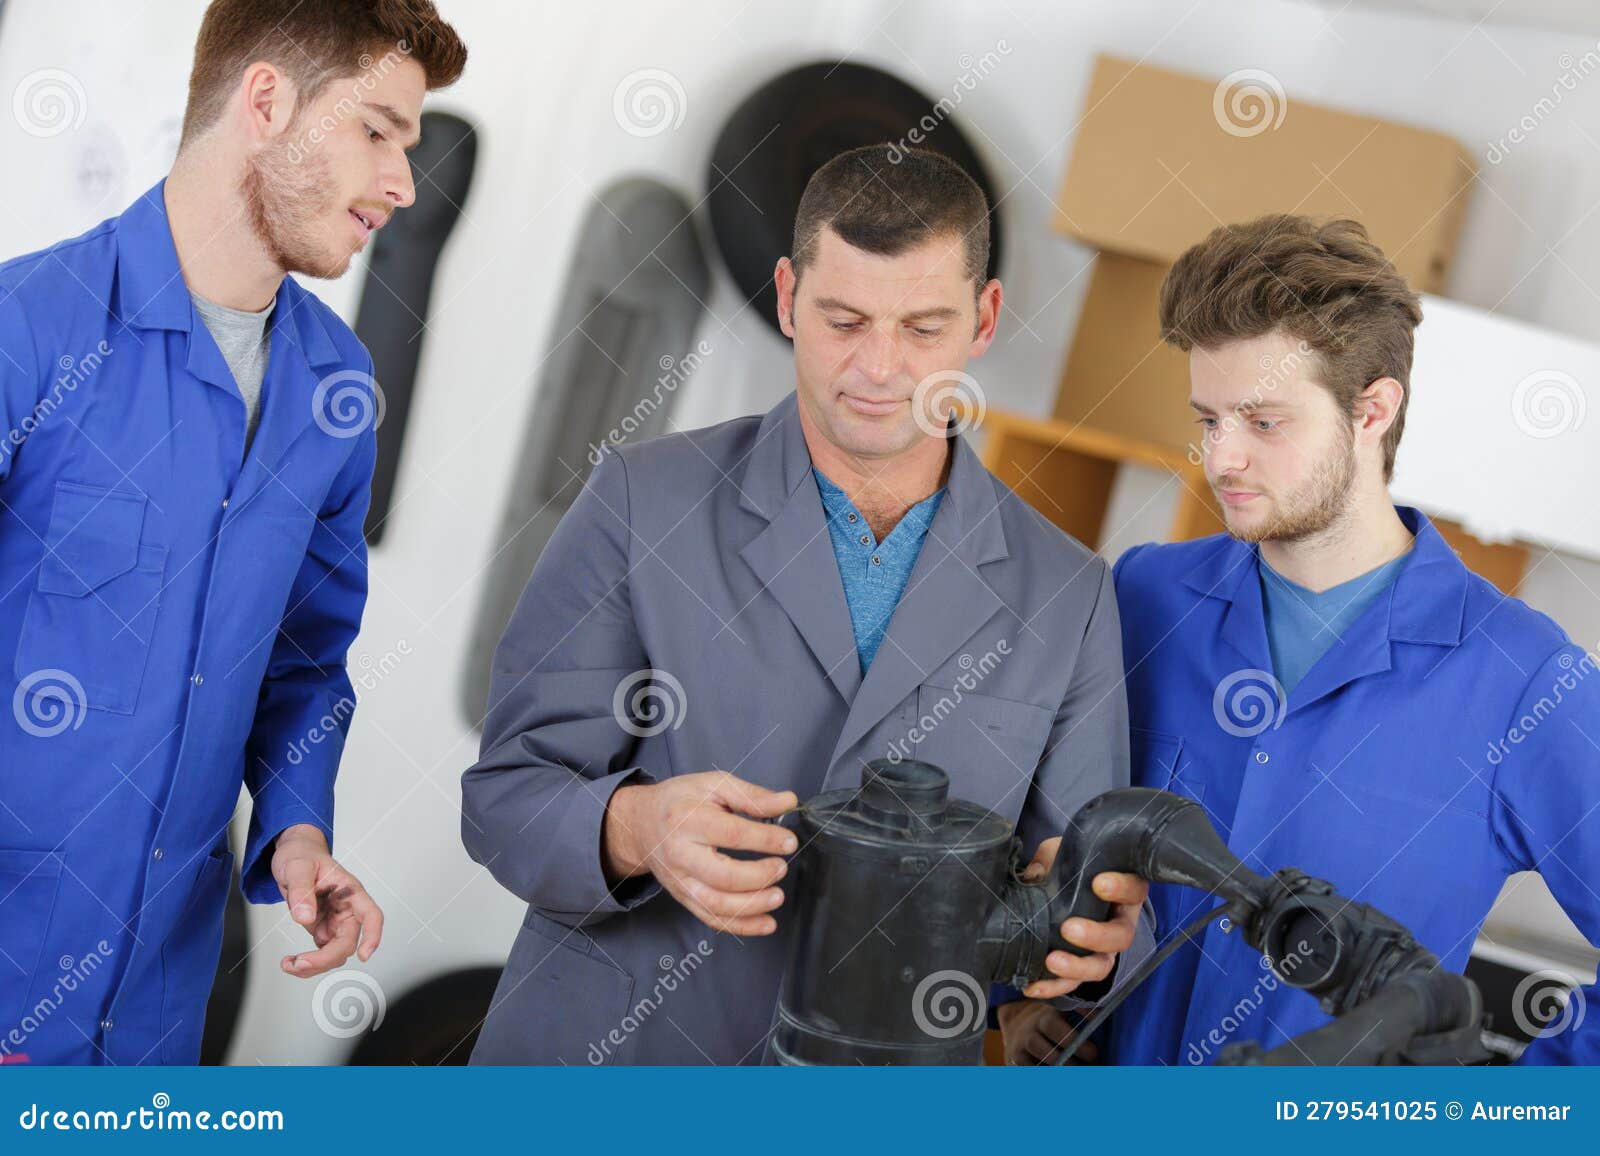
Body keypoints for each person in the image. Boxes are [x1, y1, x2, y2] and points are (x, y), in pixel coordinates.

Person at [462, 143, 1152, 1065]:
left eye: (922, 328)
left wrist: (1092, 943)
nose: (879, 368)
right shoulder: (645, 502)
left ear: (983, 320)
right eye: (844, 319)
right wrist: (637, 828)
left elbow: (1090, 897)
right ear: (787, 297)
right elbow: (505, 798)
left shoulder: (1068, 595)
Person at [1015, 213, 1600, 1066]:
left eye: (1263, 423)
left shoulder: (1526, 683)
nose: (1222, 461)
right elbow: (1051, 836)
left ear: (1373, 409)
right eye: (1209, 420)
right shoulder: (1145, 594)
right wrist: (1026, 991)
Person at [0, 0, 466, 1064]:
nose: (400, 182)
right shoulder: (25, 333)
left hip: (162, 1007)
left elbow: (304, 657)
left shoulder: (336, 392)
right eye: (377, 131)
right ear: (266, 102)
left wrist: (299, 829)